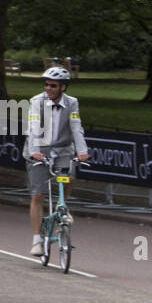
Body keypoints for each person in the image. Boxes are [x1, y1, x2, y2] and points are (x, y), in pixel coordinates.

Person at [26, 67, 90, 257]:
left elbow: (76, 127)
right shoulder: (36, 102)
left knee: (69, 178)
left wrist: (83, 151)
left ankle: (62, 206)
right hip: (39, 150)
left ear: (63, 87)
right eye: (46, 84)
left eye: (53, 85)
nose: (48, 88)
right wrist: (35, 151)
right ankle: (37, 239)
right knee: (38, 195)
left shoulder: (72, 103)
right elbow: (33, 126)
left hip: (62, 149)